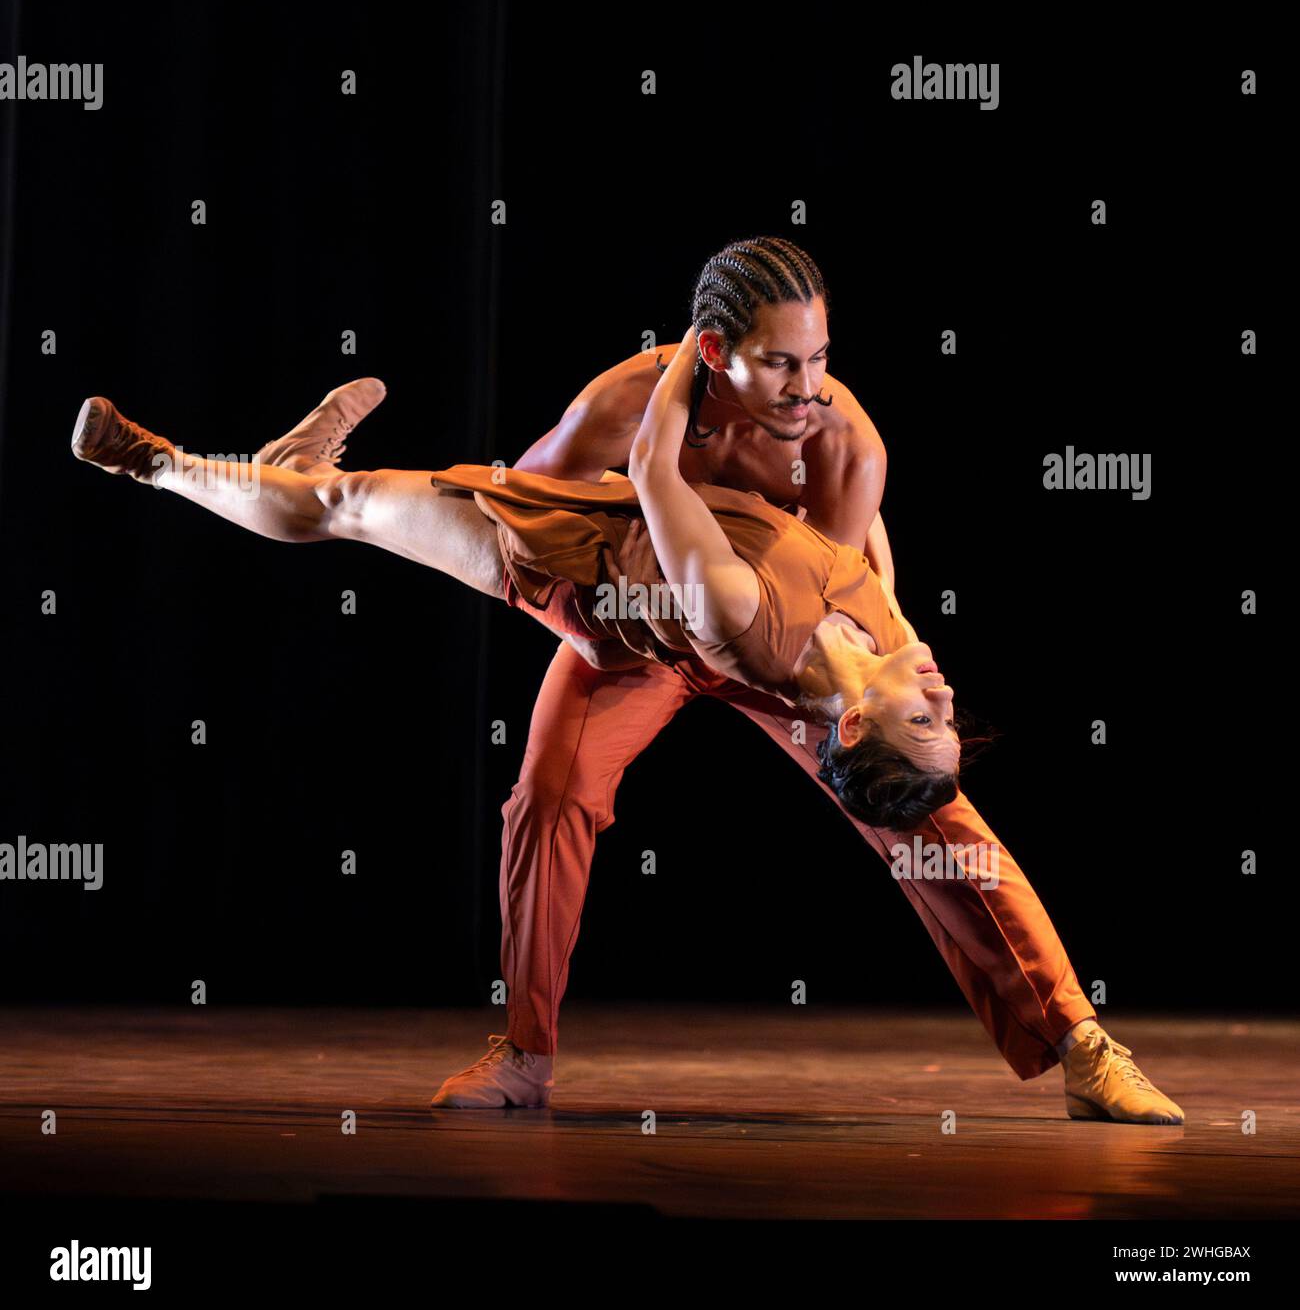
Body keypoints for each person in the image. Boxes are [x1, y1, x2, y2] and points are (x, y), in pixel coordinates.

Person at [69, 238, 1184, 1125]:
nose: (809, 391)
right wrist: (597, 597)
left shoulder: (845, 453)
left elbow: (837, 605)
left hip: (771, 643)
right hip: (630, 620)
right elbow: (540, 511)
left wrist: (870, 722)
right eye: (781, 364)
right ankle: (525, 1054)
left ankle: (1079, 1043)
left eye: (820, 360)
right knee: (548, 794)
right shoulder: (627, 400)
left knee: (922, 807)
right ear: (714, 350)